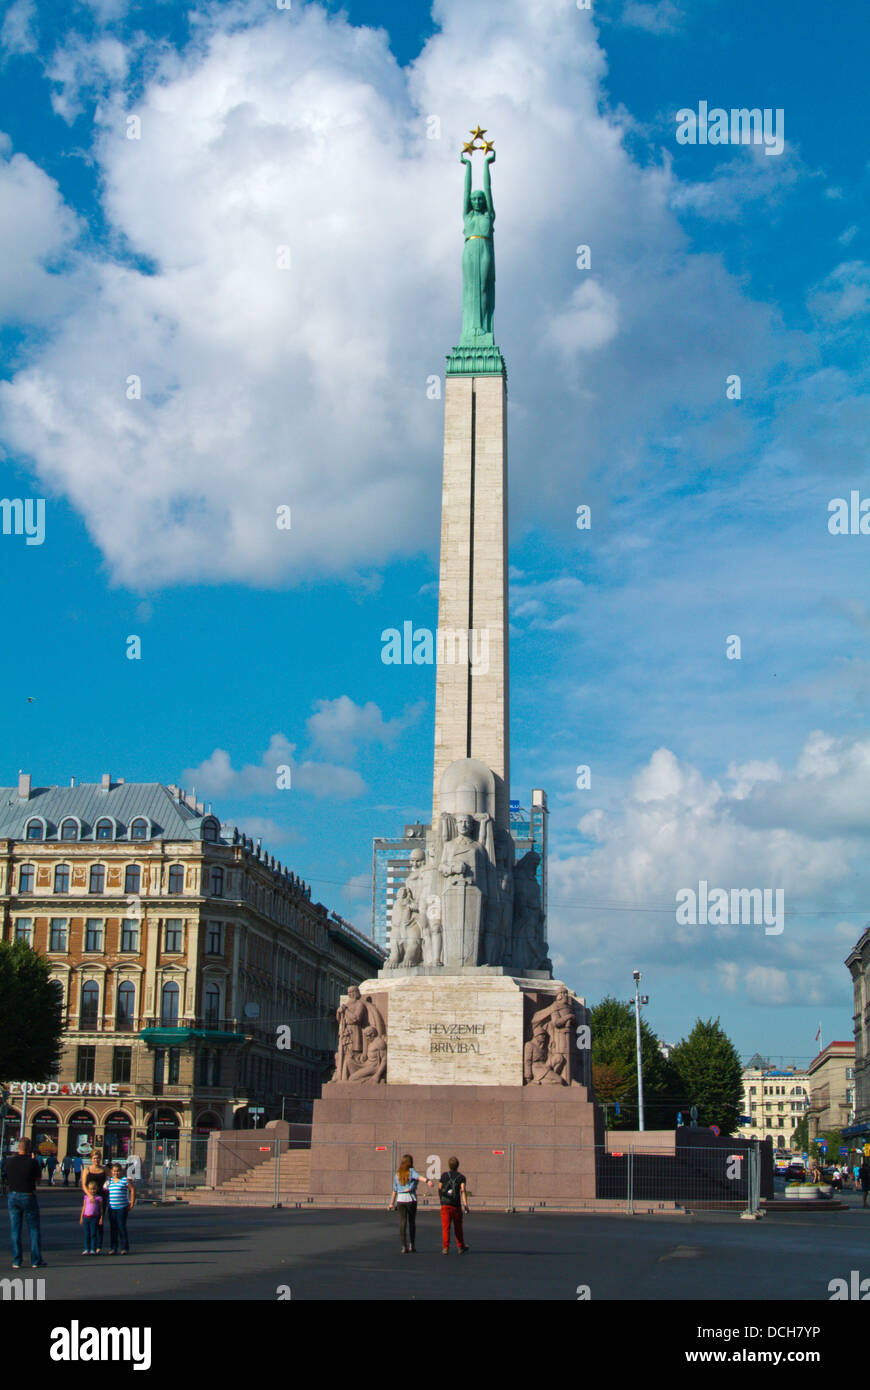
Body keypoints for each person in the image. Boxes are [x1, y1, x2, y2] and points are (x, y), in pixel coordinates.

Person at [6, 1138, 46, 1269]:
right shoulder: (32, 1162)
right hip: (28, 1195)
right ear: (29, 1148)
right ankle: (35, 1260)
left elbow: (7, 1176)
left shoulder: (10, 1161)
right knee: (33, 1229)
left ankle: (17, 1260)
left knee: (15, 1229)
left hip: (13, 1195)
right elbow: (38, 1179)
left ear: (18, 1148)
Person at [387, 1154, 433, 1253]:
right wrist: (427, 1181)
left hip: (400, 1199)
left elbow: (395, 1190)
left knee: (402, 1222)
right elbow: (419, 1177)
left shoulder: (397, 1174)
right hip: (411, 1199)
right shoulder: (411, 1172)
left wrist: (391, 1203)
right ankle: (412, 1244)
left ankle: (404, 1246)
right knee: (412, 1222)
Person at [439, 1156, 469, 1255]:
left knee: (446, 1227)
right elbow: (463, 1190)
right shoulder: (461, 1177)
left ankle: (445, 1248)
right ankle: (460, 1246)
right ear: (457, 1165)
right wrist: (465, 1205)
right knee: (458, 1227)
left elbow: (439, 1188)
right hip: (456, 1205)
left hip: (445, 1205)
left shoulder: (443, 1175)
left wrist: (441, 1200)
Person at [105, 1163, 135, 1254]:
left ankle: (124, 1248)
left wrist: (132, 1202)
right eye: (114, 1171)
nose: (116, 1173)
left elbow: (132, 1190)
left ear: (121, 1172)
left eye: (118, 1171)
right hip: (112, 1207)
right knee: (113, 1228)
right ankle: (113, 1248)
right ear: (111, 1172)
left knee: (121, 1227)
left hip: (122, 1207)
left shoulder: (124, 1180)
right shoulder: (109, 1181)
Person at [81, 1151, 108, 1251]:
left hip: (101, 1197)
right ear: (91, 1159)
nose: (96, 1160)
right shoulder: (87, 1170)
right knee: (90, 1220)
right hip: (90, 1198)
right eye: (94, 1158)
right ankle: (89, 1246)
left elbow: (114, 1176)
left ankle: (98, 1245)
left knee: (99, 1221)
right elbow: (83, 1184)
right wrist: (89, 1195)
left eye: (98, 1158)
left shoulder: (104, 1169)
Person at [79, 1177, 103, 1255]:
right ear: (88, 1189)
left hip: (94, 1218)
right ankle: (86, 1248)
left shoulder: (99, 1198)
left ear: (97, 1189)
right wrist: (81, 1217)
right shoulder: (86, 1197)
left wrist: (101, 1218)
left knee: (93, 1233)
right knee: (87, 1234)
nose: (92, 1191)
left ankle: (93, 1249)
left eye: (94, 1189)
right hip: (86, 1217)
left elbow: (101, 1209)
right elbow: (84, 1207)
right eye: (91, 1189)